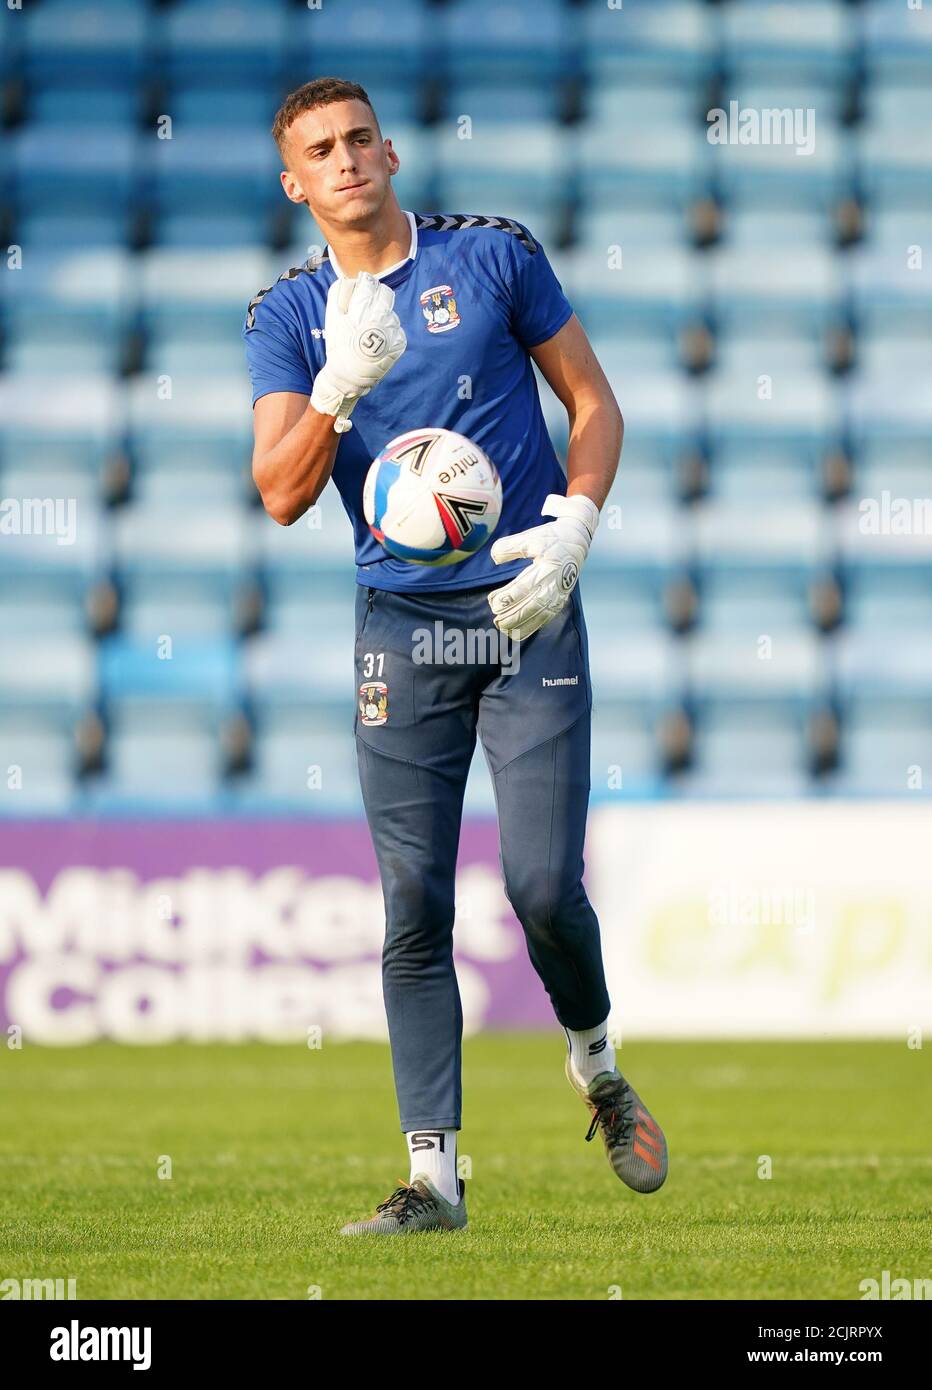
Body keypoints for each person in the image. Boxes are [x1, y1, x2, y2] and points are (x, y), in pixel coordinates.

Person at [243, 76, 668, 1235]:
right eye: (317, 152)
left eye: (356, 140)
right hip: (400, 629)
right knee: (413, 905)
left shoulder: (490, 256)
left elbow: (592, 402)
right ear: (294, 182)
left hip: (528, 611)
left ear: (389, 150)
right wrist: (337, 387)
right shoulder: (286, 316)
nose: (342, 162)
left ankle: (592, 1057)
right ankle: (434, 1180)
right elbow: (278, 494)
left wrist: (577, 522)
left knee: (538, 888)